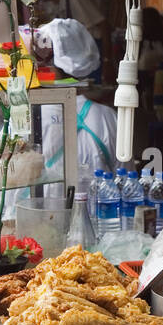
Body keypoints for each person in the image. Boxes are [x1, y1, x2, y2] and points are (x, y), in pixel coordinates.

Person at [36, 18, 118, 196]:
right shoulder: (108, 117)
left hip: (40, 222)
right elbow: (125, 182)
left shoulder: (31, 115)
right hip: (98, 221)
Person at [26, 0, 113, 79]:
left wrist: (107, 60)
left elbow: (104, 25)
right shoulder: (56, 6)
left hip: (94, 55)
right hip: (78, 61)